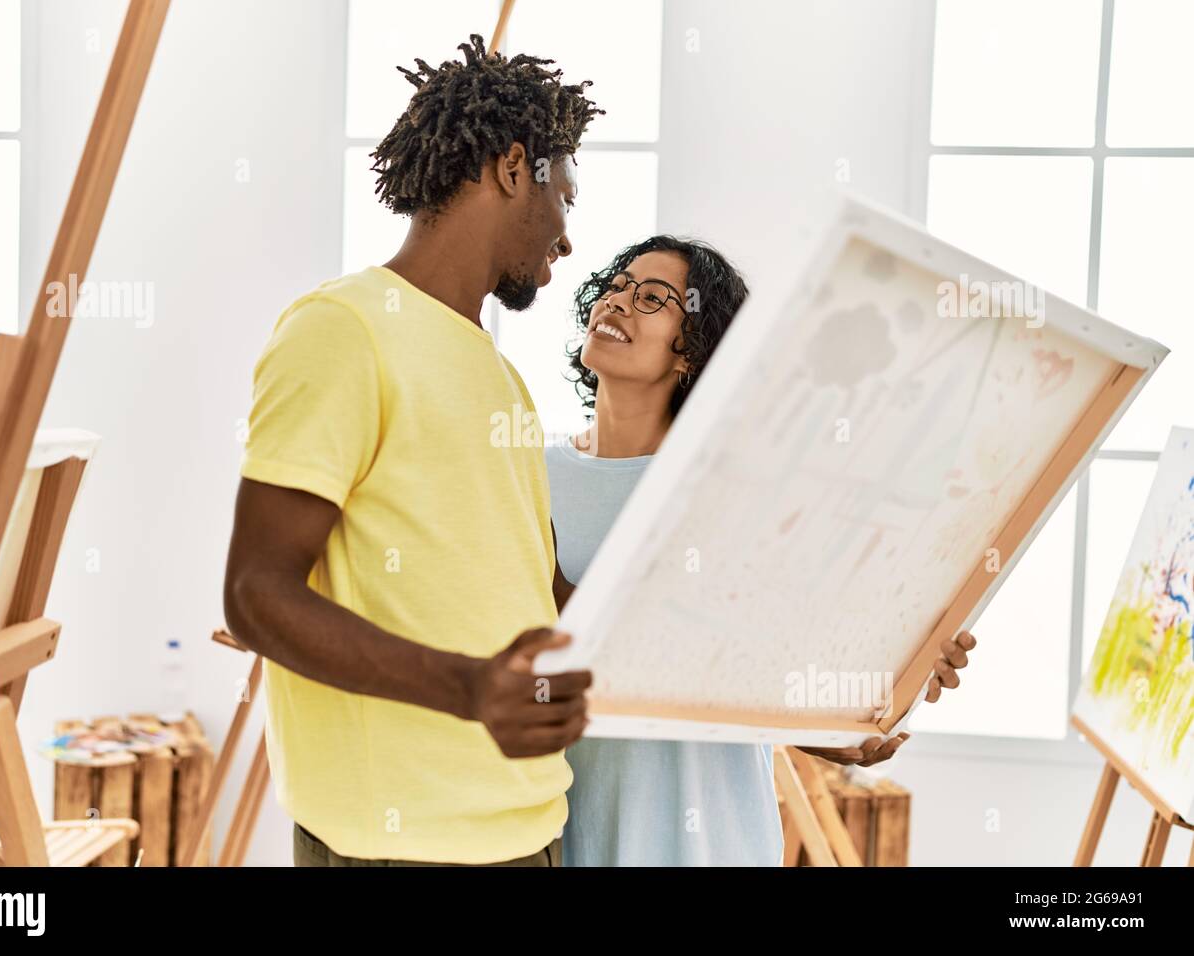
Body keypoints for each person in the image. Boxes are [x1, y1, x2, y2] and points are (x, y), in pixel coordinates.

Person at [223, 35, 603, 867]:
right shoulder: (343, 327)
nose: (566, 239)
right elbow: (255, 593)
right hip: (403, 846)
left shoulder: (499, 375)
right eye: (564, 198)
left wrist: (807, 709)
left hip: (529, 830)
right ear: (514, 169)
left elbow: (537, 597)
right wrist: (472, 690)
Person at [546, 235, 977, 866]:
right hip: (570, 842)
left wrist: (887, 687)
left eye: (652, 297)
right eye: (614, 286)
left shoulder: (734, 493)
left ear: (691, 351)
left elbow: (773, 673)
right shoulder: (530, 478)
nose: (618, 302)